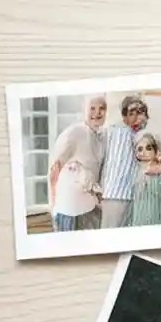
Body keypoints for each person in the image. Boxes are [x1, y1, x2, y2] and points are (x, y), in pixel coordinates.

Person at [47, 95, 106, 232]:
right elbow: (54, 170)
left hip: (91, 210)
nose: (97, 113)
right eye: (92, 108)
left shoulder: (100, 137)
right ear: (83, 109)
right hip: (70, 213)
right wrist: (53, 207)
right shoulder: (74, 133)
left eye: (101, 108)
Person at [99, 95, 148, 228]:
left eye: (141, 112)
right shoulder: (114, 132)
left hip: (136, 196)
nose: (137, 116)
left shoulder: (146, 136)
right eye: (131, 113)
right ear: (125, 117)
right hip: (115, 194)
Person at [123, 130, 161, 226]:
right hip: (139, 210)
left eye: (148, 148)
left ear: (155, 150)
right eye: (140, 149)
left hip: (157, 209)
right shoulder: (135, 171)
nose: (144, 152)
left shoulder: (160, 170)